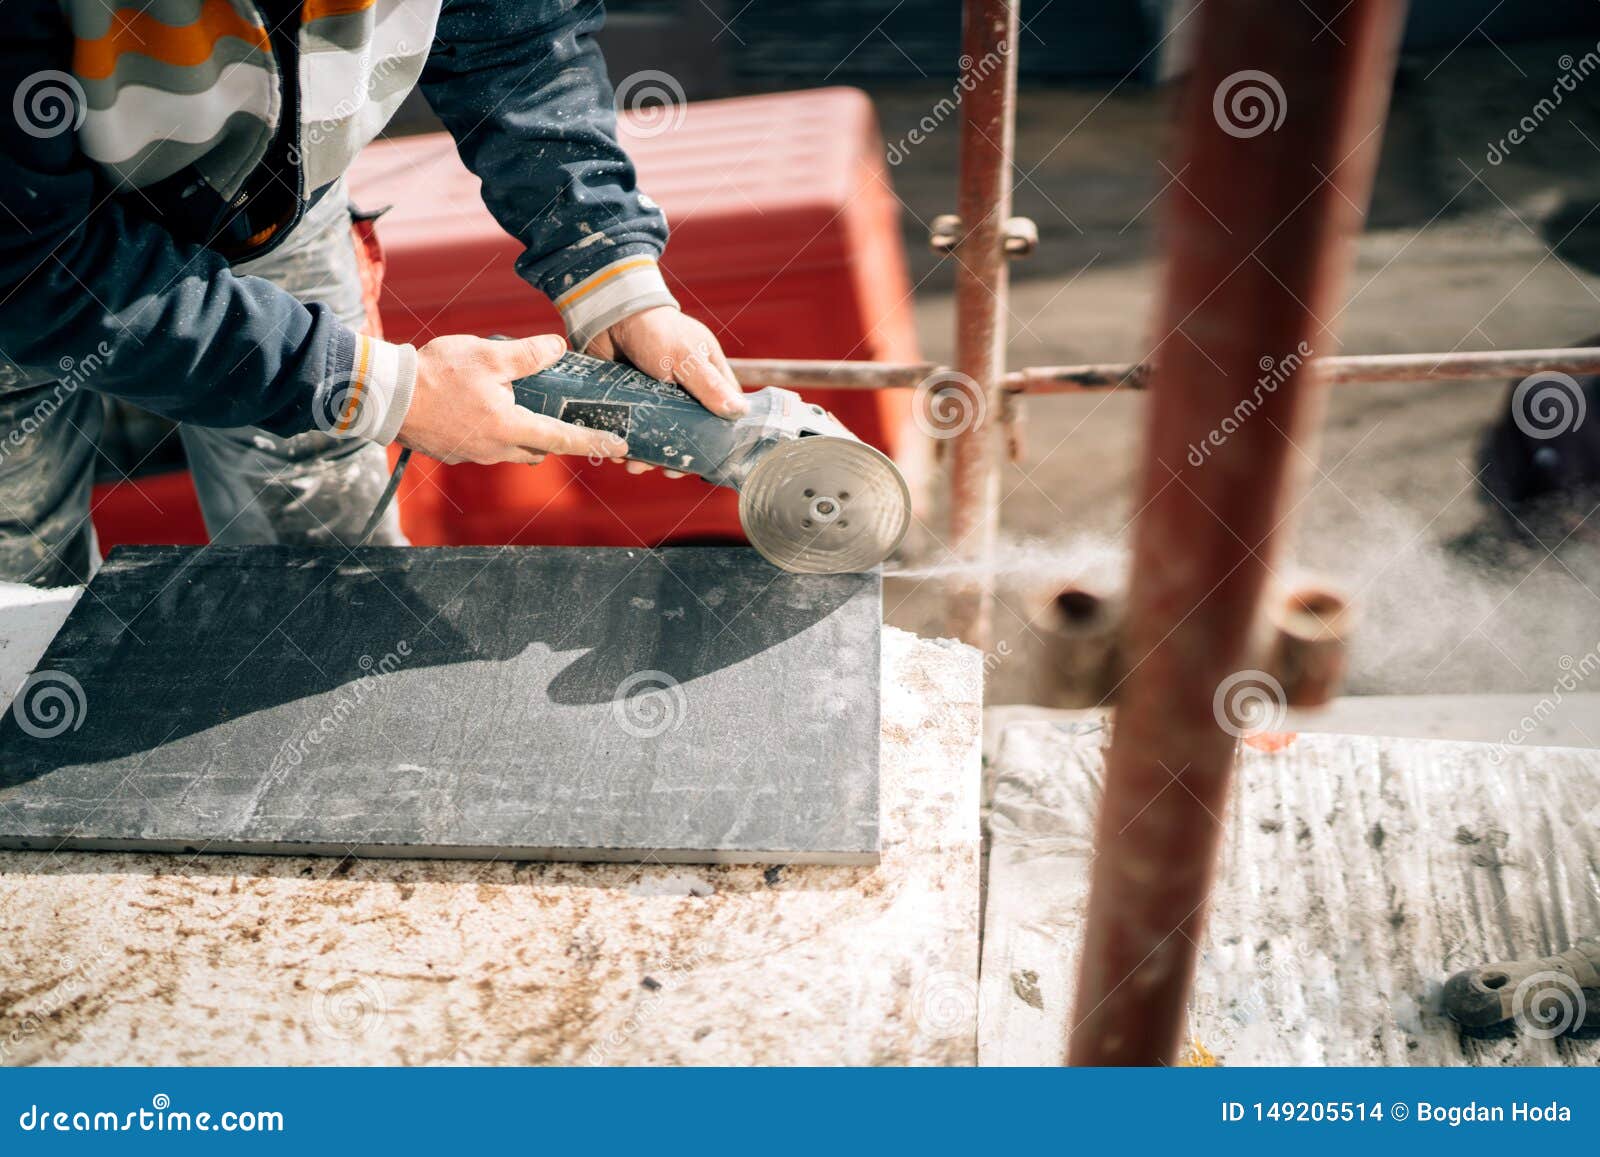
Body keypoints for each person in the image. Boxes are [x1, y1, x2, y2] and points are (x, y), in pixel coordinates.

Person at [0, 1, 743, 587]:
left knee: (326, 563)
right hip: (26, 244)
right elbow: (32, 263)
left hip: (270, 206)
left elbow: (512, 38)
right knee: (19, 583)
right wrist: (388, 392)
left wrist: (614, 277)